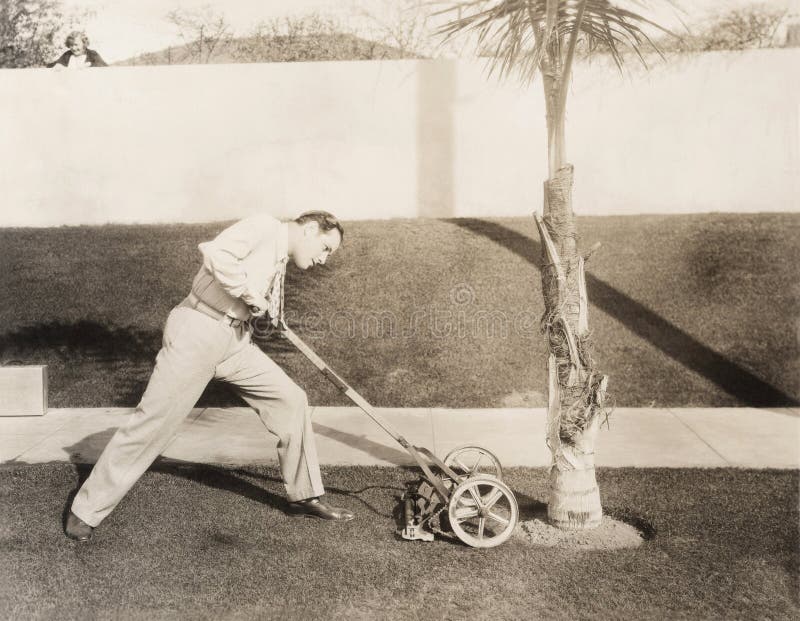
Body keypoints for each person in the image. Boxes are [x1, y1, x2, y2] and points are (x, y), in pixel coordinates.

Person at [65, 211, 352, 542]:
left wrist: (261, 309)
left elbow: (251, 297)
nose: (324, 259)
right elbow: (215, 252)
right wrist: (250, 295)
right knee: (153, 423)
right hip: (198, 331)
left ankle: (304, 497)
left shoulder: (281, 256)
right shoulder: (263, 227)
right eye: (326, 248)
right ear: (311, 229)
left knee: (291, 399)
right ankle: (85, 511)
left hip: (235, 341)